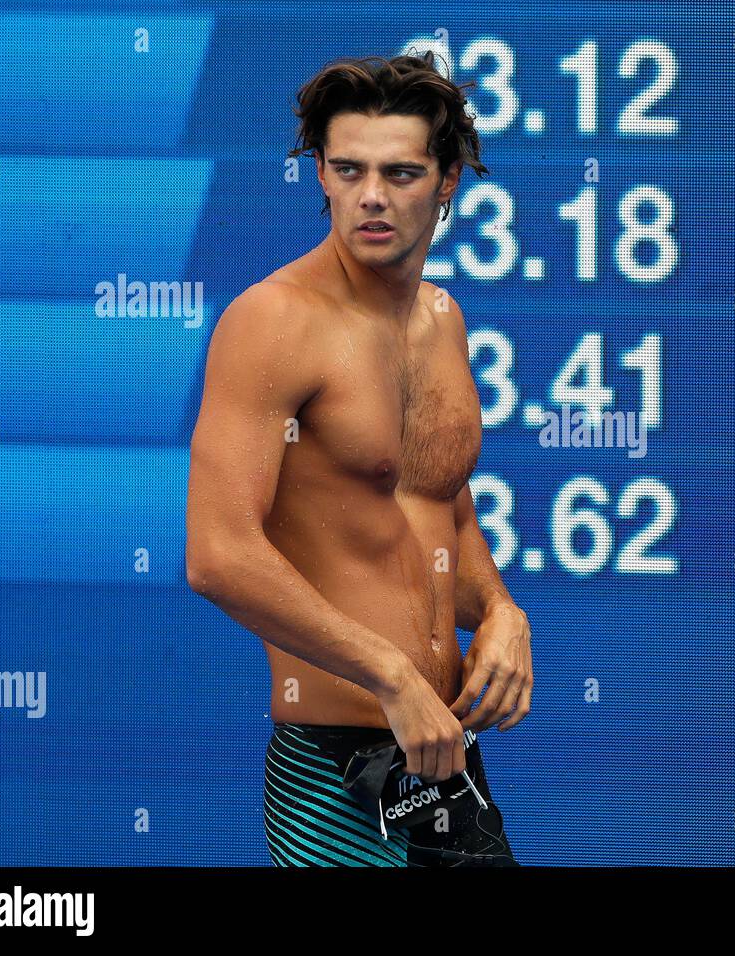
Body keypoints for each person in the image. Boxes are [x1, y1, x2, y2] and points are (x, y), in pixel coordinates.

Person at [185, 52, 532, 866]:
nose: (372, 195)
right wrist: (392, 675)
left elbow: (443, 504)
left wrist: (501, 610)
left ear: (448, 181)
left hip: (445, 755)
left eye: (401, 172)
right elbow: (218, 555)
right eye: (348, 169)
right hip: (336, 770)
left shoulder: (443, 319)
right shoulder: (272, 323)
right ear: (322, 177)